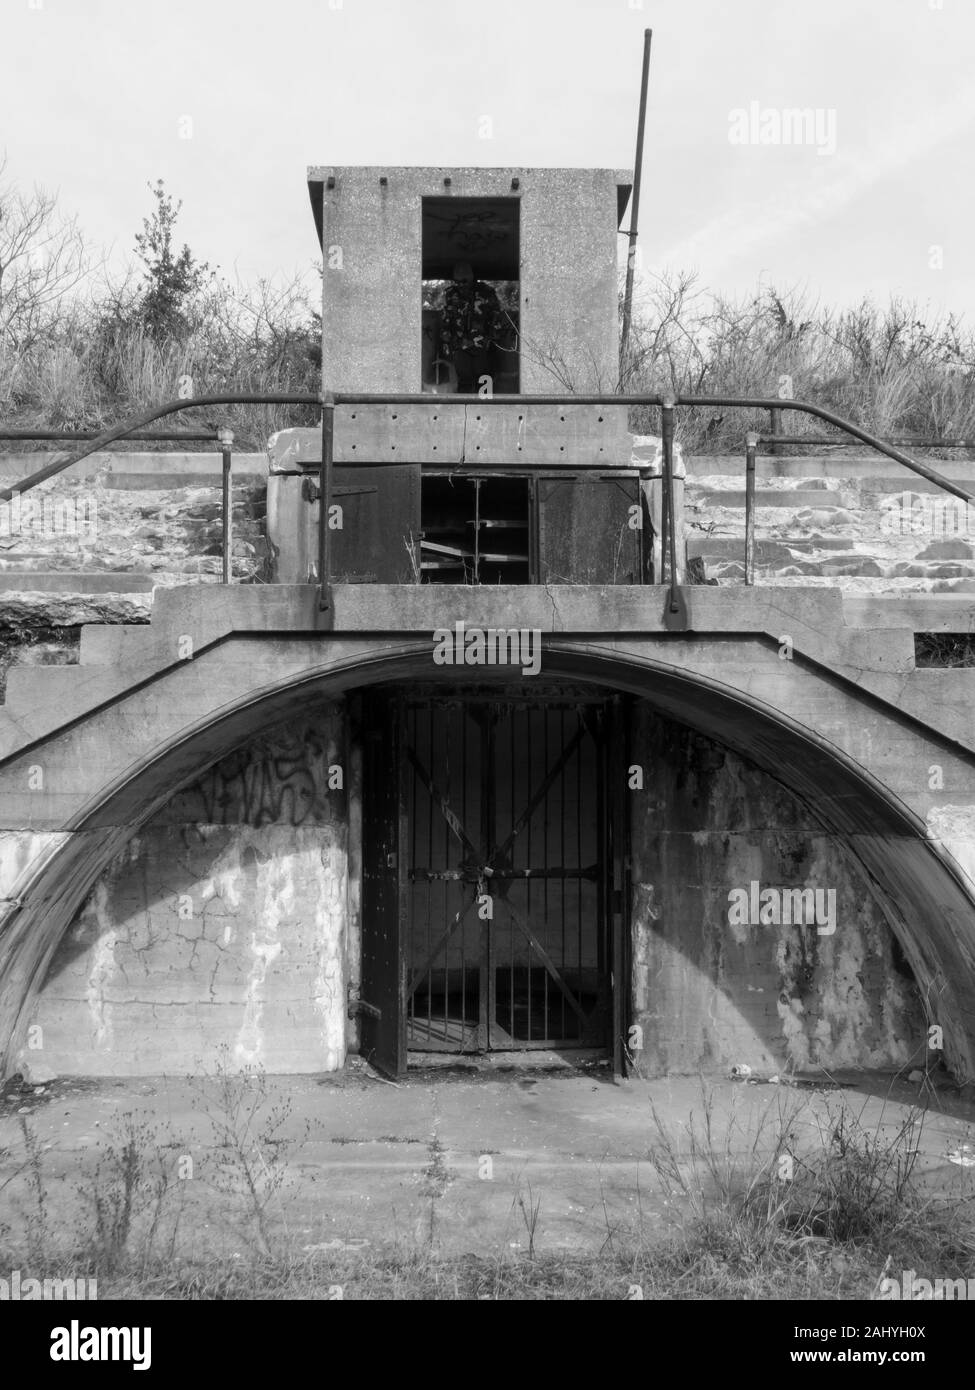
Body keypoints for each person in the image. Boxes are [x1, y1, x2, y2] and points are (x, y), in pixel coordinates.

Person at [439, 261, 505, 392]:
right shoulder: (450, 295)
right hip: (460, 346)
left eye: (464, 281)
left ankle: (485, 410)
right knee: (464, 384)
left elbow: (496, 320)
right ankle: (465, 411)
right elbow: (445, 322)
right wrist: (449, 343)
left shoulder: (487, 293)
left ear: (471, 278)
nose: (460, 285)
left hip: (482, 347)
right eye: (456, 282)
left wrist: (490, 341)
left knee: (485, 383)